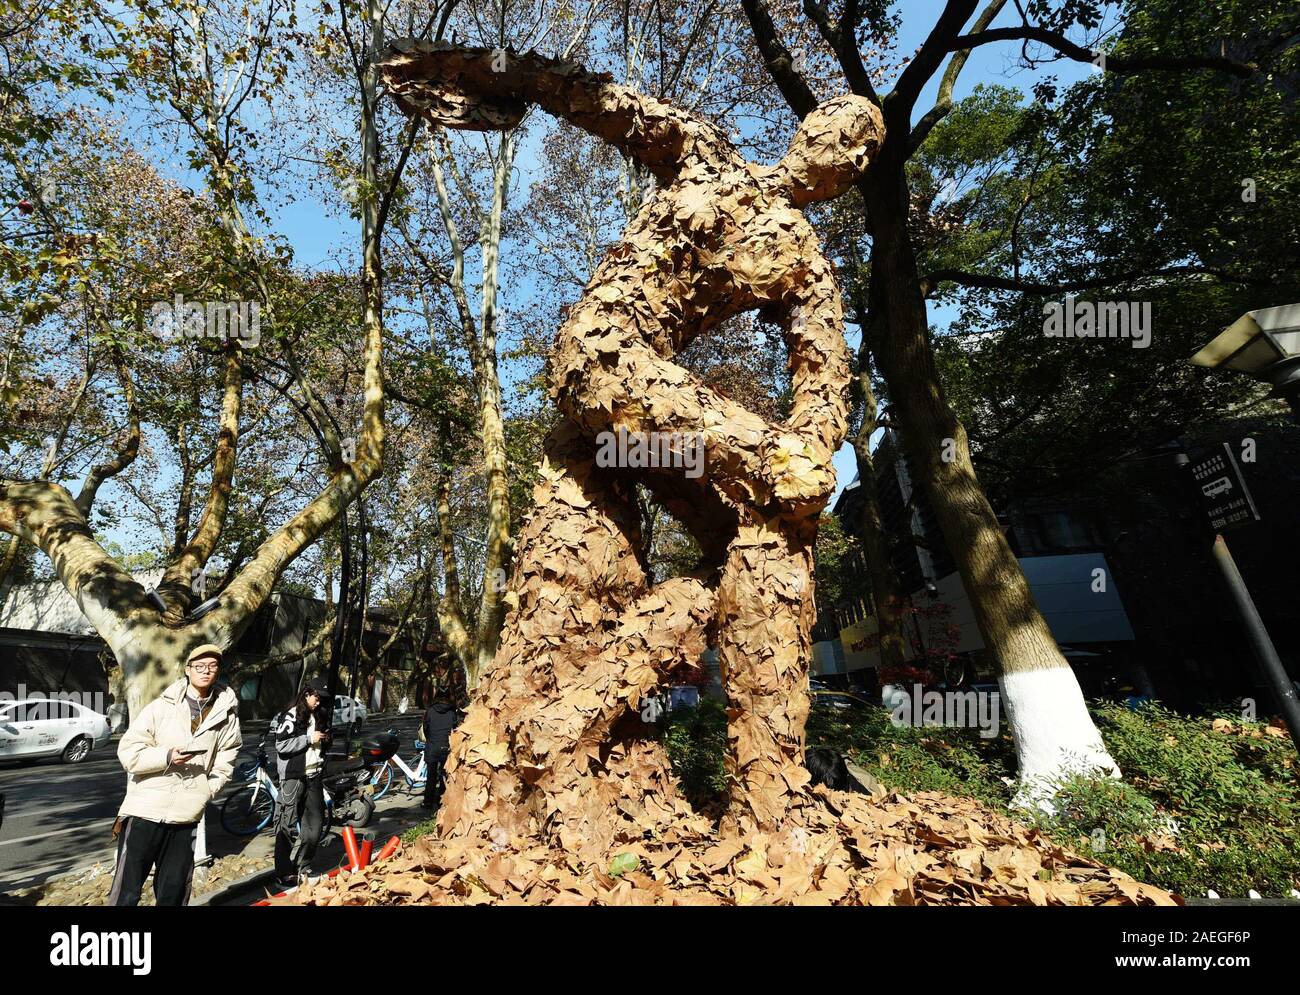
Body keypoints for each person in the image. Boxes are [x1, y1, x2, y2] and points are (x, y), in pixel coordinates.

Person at [108, 643, 242, 906]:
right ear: (188, 670)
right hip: (145, 810)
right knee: (127, 890)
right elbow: (129, 752)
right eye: (200, 666)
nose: (206, 671)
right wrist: (166, 756)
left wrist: (205, 790)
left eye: (212, 666)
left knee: (174, 890)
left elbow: (227, 759)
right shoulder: (160, 707)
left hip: (186, 814)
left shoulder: (227, 715)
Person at [272, 683, 329, 890]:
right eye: (316, 697)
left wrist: (324, 740)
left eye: (322, 699)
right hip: (293, 777)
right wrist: (308, 739)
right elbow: (281, 745)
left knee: (314, 825)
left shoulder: (319, 715)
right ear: (306, 695)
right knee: (285, 825)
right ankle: (283, 872)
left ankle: (303, 866)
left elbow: (319, 745)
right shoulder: (290, 715)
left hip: (314, 775)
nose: (319, 701)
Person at [421, 694, 459, 809]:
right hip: (446, 747)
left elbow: (425, 728)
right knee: (444, 775)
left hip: (432, 746)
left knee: (431, 776)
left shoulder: (430, 711)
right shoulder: (452, 712)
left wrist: (431, 739)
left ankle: (427, 801)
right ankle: (441, 800)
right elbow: (455, 729)